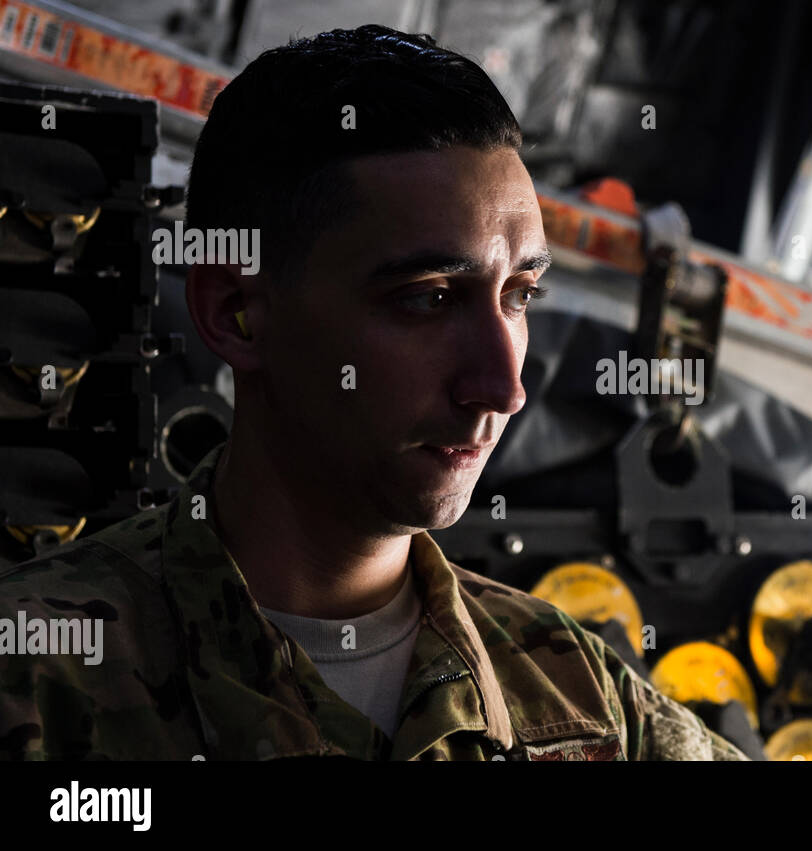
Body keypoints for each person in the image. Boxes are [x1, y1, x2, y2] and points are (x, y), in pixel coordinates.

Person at [0, 24, 746, 761]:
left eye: (520, 296)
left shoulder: (581, 700)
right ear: (235, 314)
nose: (504, 386)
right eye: (427, 298)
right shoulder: (41, 685)